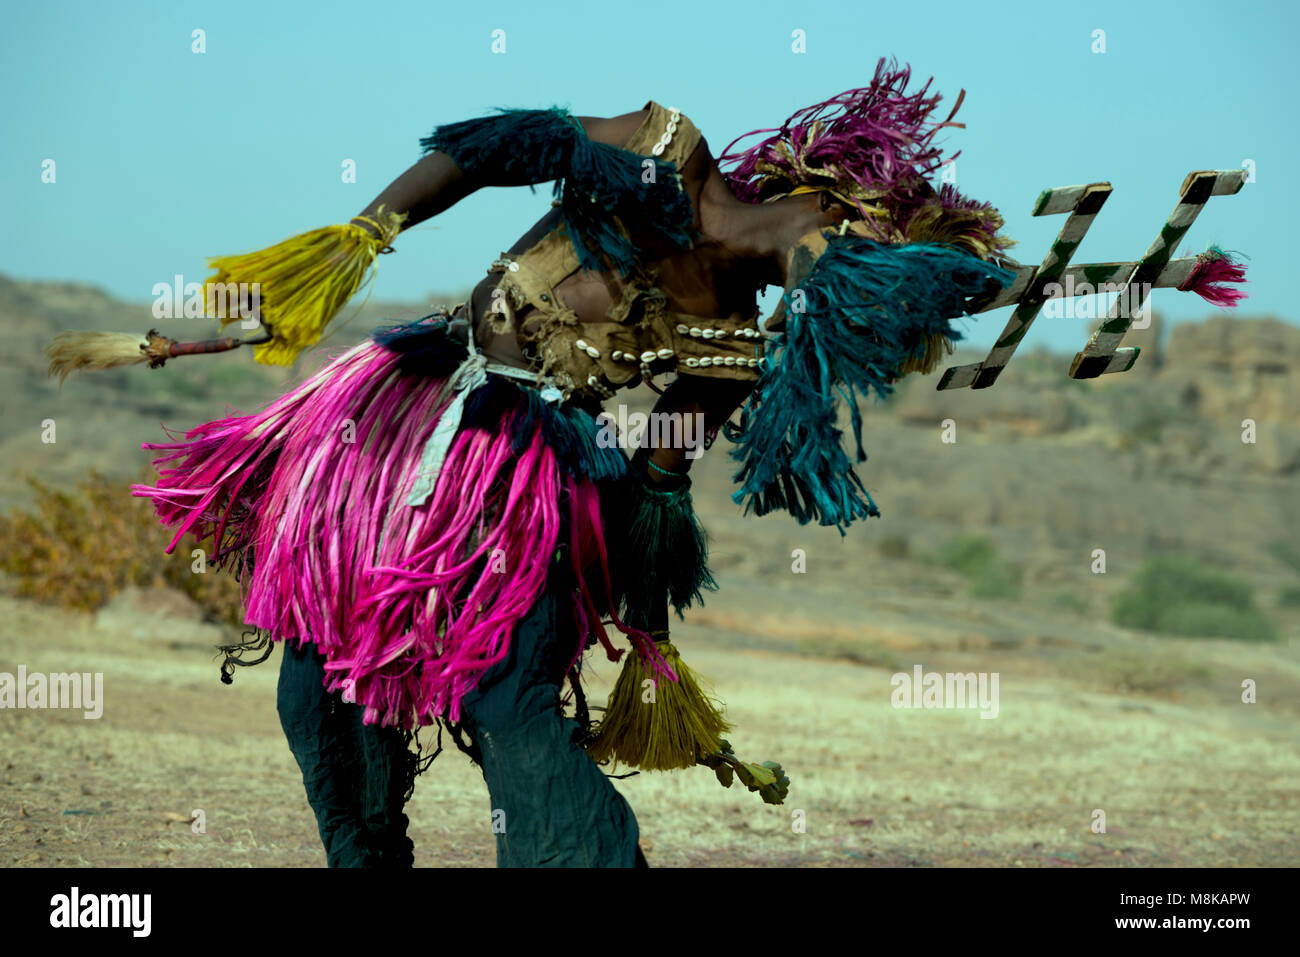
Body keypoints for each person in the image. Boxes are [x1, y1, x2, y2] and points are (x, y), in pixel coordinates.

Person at [108, 58, 1018, 867]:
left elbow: (657, 489)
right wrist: (360, 238)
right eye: (849, 247)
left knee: (510, 700)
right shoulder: (665, 152)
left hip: (519, 485)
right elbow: (494, 149)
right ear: (832, 200)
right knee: (320, 684)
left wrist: (650, 634)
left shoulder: (731, 346)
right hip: (395, 417)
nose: (823, 270)